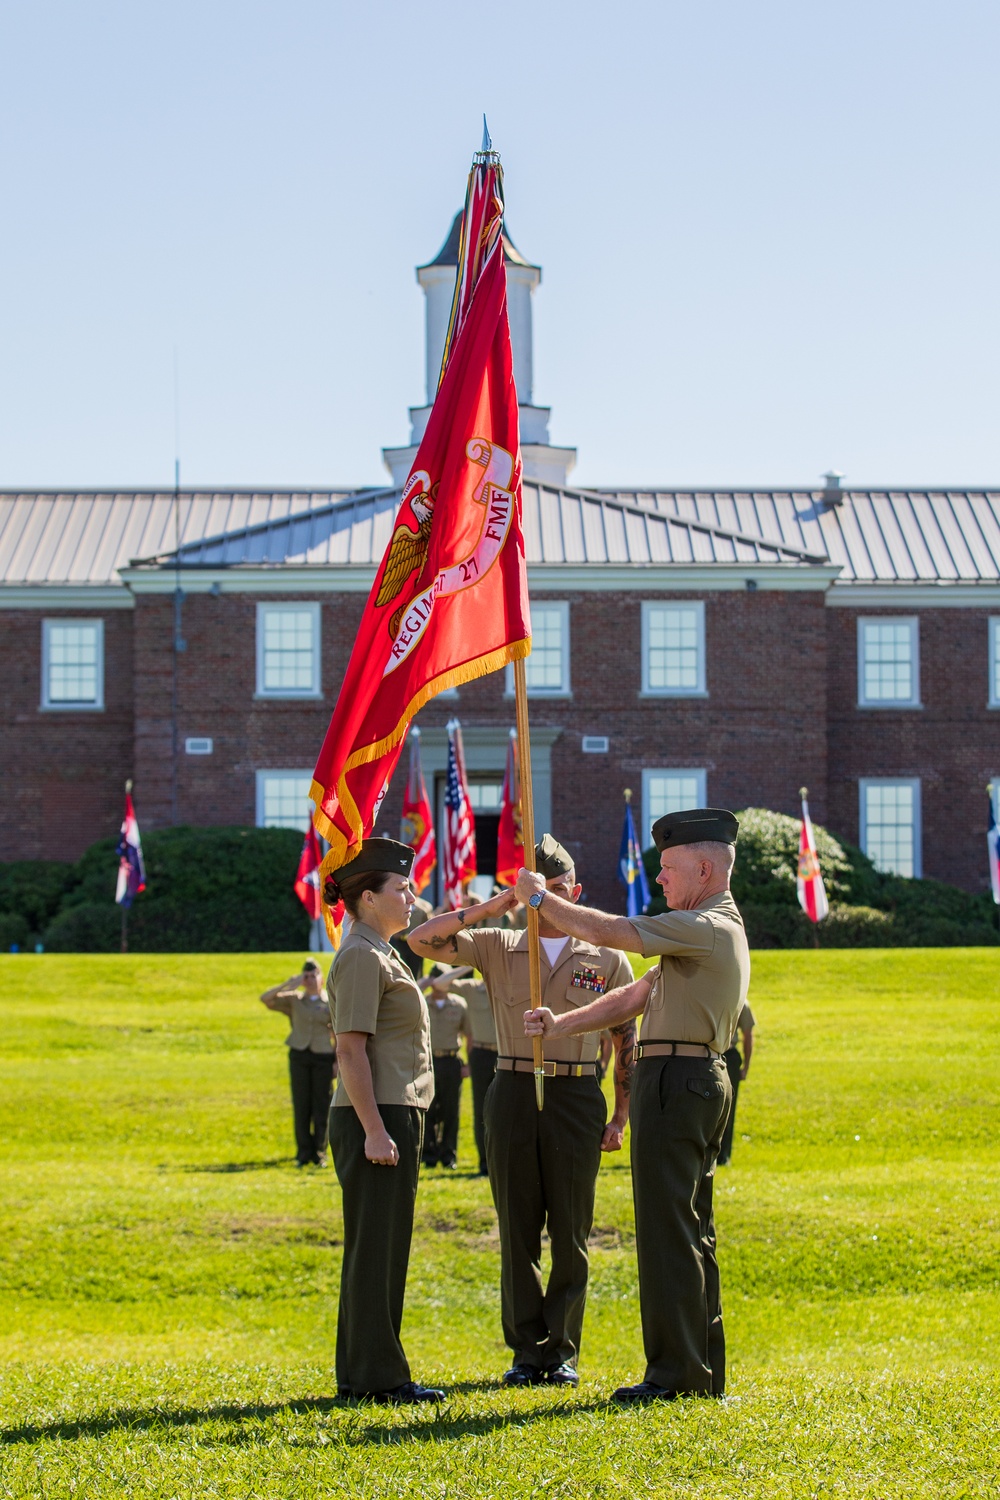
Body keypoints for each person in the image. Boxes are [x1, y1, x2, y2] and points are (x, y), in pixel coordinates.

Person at [518, 808, 750, 1403]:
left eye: (669, 868)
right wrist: (562, 1020)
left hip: (679, 1079)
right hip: (685, 1076)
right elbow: (630, 995)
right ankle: (698, 1368)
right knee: (687, 1228)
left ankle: (675, 1376)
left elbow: (609, 932)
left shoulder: (706, 926)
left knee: (668, 1230)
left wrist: (542, 900)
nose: (660, 880)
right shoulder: (698, 931)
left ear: (705, 868)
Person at [408, 834, 635, 1389]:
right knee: (517, 1228)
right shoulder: (497, 944)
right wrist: (499, 905)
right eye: (537, 890)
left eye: (556, 891)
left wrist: (621, 1116)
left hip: (577, 1094)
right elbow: (421, 941)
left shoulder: (607, 955)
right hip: (510, 1088)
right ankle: (526, 1353)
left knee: (571, 1229)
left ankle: (561, 1350)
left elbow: (626, 1037)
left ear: (575, 891)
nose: (545, 903)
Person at [324, 838, 443, 1405]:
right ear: (368, 898)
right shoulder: (360, 956)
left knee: (384, 1246)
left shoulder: (384, 952)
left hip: (394, 1111)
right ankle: (378, 1378)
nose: (411, 894)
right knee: (376, 1247)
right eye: (401, 887)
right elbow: (350, 1050)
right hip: (375, 1114)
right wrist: (374, 1128)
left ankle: (365, 1372)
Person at [260, 959, 337, 1168]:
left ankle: (319, 1152)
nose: (311, 980)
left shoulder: (330, 1002)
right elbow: (266, 999)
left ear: (321, 978)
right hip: (300, 1055)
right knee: (302, 1104)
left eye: (314, 976)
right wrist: (289, 984)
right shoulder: (294, 1000)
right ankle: (303, 1153)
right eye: (307, 977)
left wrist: (337, 1062)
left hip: (322, 1056)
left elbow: (338, 1034)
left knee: (321, 1105)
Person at [428, 966, 496, 1177]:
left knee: (508, 1111)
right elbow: (440, 984)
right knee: (480, 1110)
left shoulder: (507, 985)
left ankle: (505, 1162)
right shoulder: (471, 988)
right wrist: (467, 965)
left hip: (506, 1053)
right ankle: (484, 1163)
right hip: (481, 1055)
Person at [422, 978, 471, 1169]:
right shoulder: (422, 1001)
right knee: (428, 1109)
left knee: (451, 1111)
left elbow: (469, 1034)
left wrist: (467, 1063)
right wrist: (424, 983)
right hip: (429, 1061)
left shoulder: (459, 1004)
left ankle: (449, 1155)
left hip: (451, 1060)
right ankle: (429, 1155)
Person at [718, 1001, 755, 1166]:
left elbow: (748, 1034)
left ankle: (723, 1154)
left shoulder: (741, 1001)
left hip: (729, 1054)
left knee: (729, 1107)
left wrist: (745, 1066)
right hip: (709, 1052)